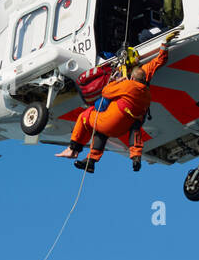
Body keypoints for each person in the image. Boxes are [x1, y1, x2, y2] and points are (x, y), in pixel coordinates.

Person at [55, 29, 180, 172]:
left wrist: (116, 82)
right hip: (128, 124)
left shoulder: (126, 85)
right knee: (131, 126)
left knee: (86, 117)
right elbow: (159, 61)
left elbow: (106, 92)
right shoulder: (144, 81)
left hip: (113, 121)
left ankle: (73, 148)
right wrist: (164, 45)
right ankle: (134, 156)